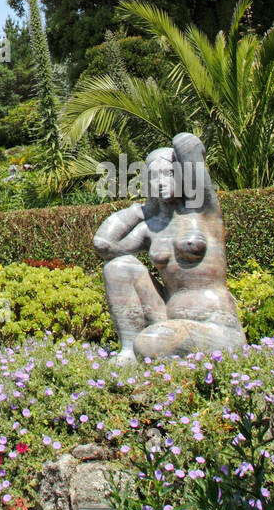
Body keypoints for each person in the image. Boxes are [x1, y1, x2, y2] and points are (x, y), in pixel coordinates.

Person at [93, 132, 245, 363]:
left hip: (216, 325)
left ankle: (147, 347)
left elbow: (187, 144)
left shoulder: (203, 212)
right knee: (118, 266)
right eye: (154, 177)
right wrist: (142, 210)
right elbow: (104, 245)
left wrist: (178, 154)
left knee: (151, 342)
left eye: (169, 174)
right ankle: (127, 353)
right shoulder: (151, 227)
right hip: (166, 319)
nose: (161, 181)